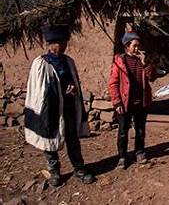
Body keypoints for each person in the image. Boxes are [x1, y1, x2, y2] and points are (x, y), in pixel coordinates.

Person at [24, 24, 95, 187]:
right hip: (49, 110)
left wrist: (73, 88)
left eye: (65, 42)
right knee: (48, 141)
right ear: (53, 43)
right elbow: (39, 91)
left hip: (69, 109)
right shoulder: (40, 63)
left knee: (73, 140)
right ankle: (54, 171)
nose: (65, 46)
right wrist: (62, 92)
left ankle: (79, 169)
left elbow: (75, 81)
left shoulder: (68, 61)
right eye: (62, 42)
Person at [108, 31, 158, 169]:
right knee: (123, 132)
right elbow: (113, 83)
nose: (137, 48)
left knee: (140, 130)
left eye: (138, 45)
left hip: (141, 102)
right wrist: (117, 102)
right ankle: (122, 156)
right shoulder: (119, 62)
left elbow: (152, 77)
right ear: (127, 46)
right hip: (125, 102)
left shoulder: (142, 60)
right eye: (134, 46)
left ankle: (140, 152)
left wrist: (145, 63)